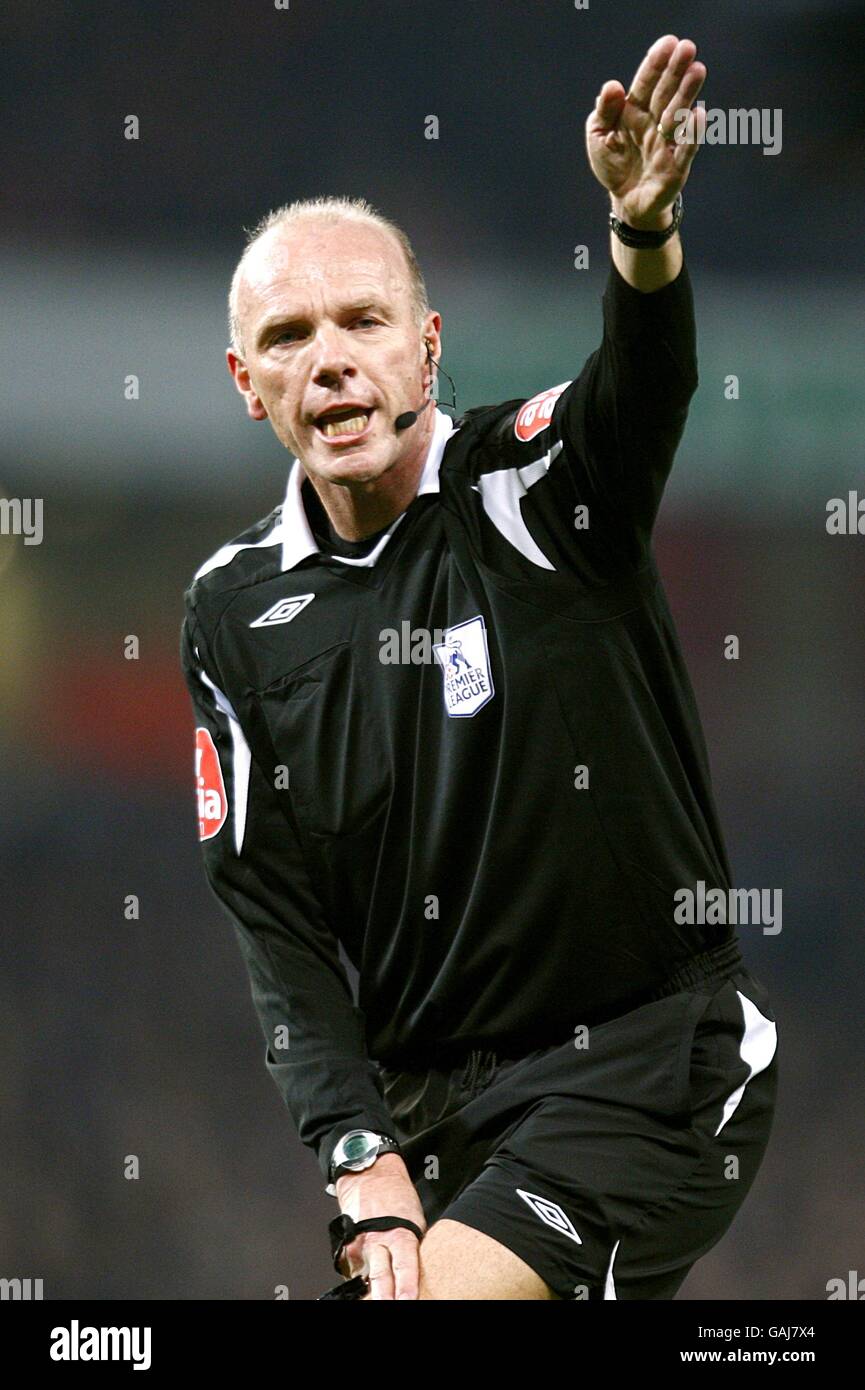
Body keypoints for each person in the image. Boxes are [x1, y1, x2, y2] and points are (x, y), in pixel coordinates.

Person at [180, 34, 778, 1301]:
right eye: (289, 335)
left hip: (641, 1065)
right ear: (249, 385)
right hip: (434, 1123)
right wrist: (356, 1151)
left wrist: (643, 234)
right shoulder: (231, 611)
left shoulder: (534, 488)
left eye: (364, 320)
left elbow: (640, 389)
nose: (331, 356)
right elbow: (276, 924)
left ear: (427, 346)